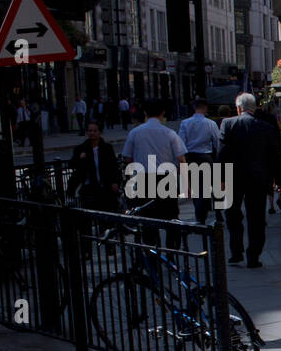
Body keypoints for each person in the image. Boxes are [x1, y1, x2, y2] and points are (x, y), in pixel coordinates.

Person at [219, 92, 281, 267]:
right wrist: (279, 180)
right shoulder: (267, 127)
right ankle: (253, 256)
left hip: (234, 178)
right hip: (258, 178)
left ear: (239, 108)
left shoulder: (228, 124)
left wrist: (220, 179)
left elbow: (222, 153)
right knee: (256, 217)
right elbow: (276, 155)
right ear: (254, 108)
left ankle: (236, 252)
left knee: (232, 214)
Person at [120, 97, 187, 248]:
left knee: (148, 222)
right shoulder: (170, 133)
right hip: (166, 179)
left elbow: (127, 158)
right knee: (171, 220)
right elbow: (181, 159)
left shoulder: (135, 133)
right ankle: (172, 254)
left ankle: (152, 257)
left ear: (144, 112)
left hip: (144, 179)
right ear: (163, 113)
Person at [178, 96, 223, 226]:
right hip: (205, 157)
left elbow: (181, 142)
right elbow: (217, 142)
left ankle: (199, 213)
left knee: (195, 187)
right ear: (205, 108)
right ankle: (203, 213)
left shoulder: (185, 123)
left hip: (190, 157)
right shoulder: (210, 123)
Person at [67, 120, 122, 213]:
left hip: (105, 187)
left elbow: (113, 166)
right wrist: (80, 158)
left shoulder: (107, 148)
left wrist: (114, 182)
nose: (92, 133)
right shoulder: (81, 148)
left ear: (99, 132)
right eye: (90, 131)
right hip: (89, 189)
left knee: (107, 215)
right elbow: (72, 164)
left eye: (95, 131)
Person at [253, 107, 281, 213]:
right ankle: (277, 200)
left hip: (257, 160)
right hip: (271, 157)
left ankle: (271, 206)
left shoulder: (253, 123)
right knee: (273, 181)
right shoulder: (271, 122)